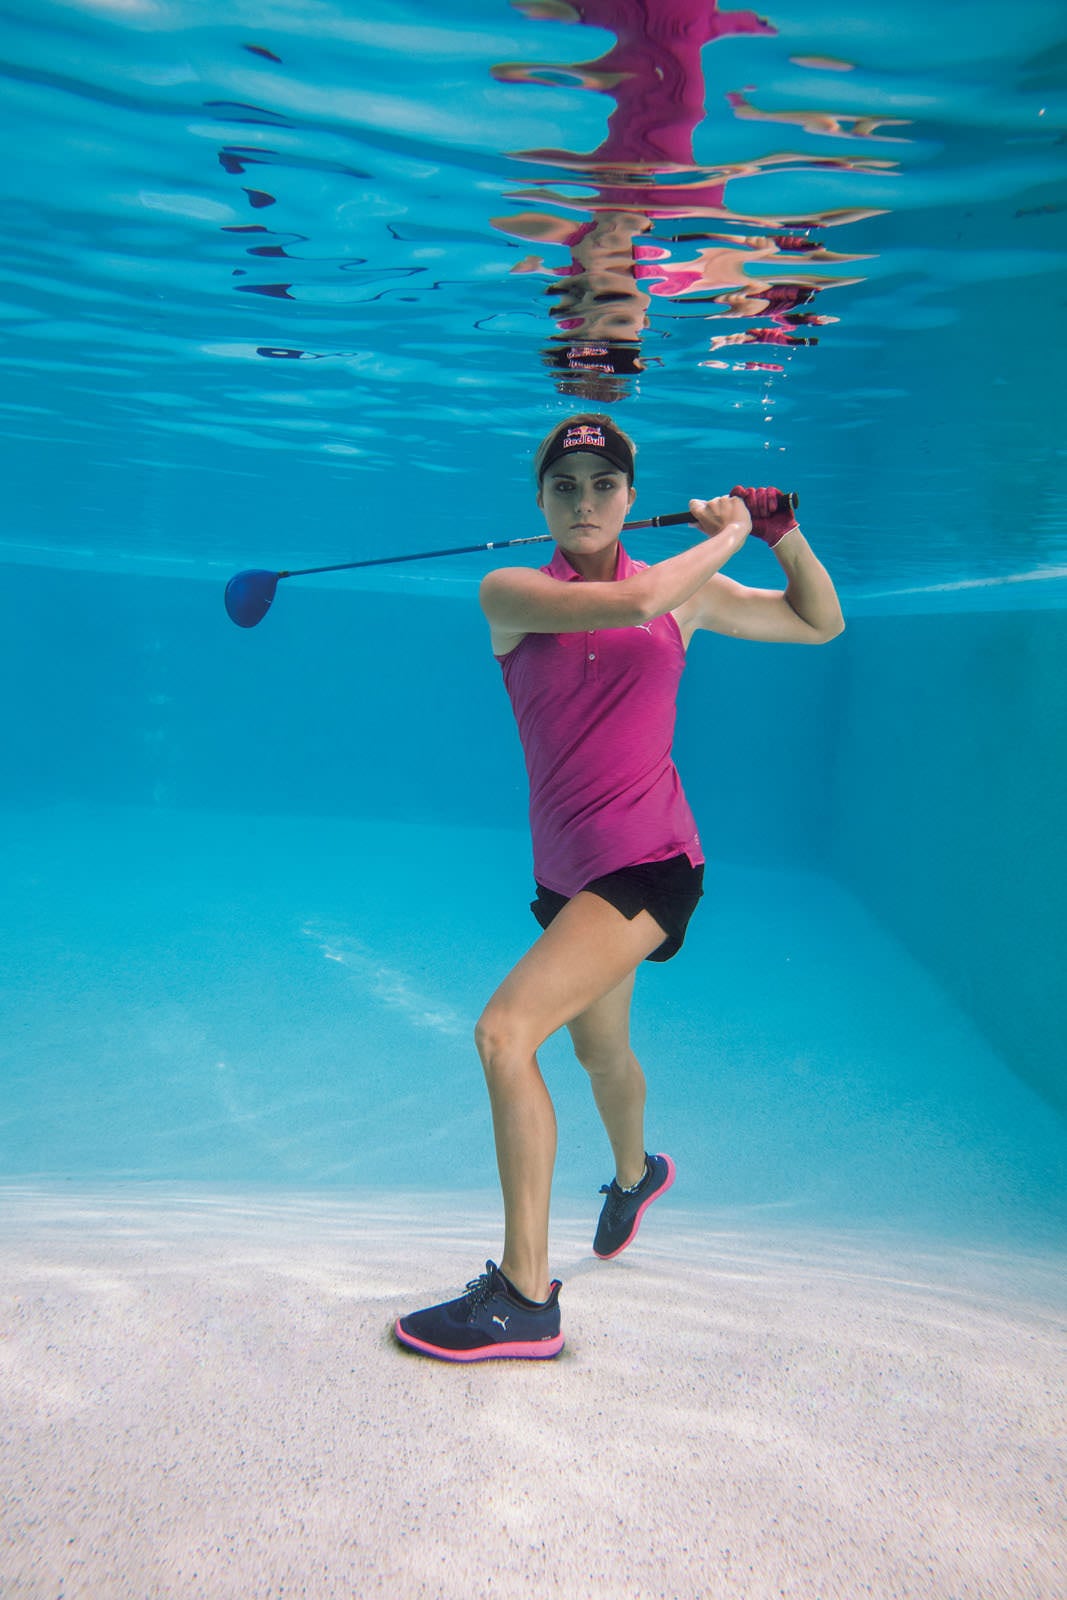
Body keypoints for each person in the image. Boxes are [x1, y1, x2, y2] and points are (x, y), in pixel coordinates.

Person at [394, 413, 844, 1362]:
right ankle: (636, 1176)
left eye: (605, 484)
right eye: (566, 486)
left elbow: (819, 622)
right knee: (601, 1054)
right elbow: (630, 605)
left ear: (632, 498)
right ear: (541, 502)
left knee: (504, 1033)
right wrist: (724, 534)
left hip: (651, 864)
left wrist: (777, 535)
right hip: (566, 879)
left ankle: (523, 1297)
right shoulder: (509, 592)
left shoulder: (687, 595)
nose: (585, 500)